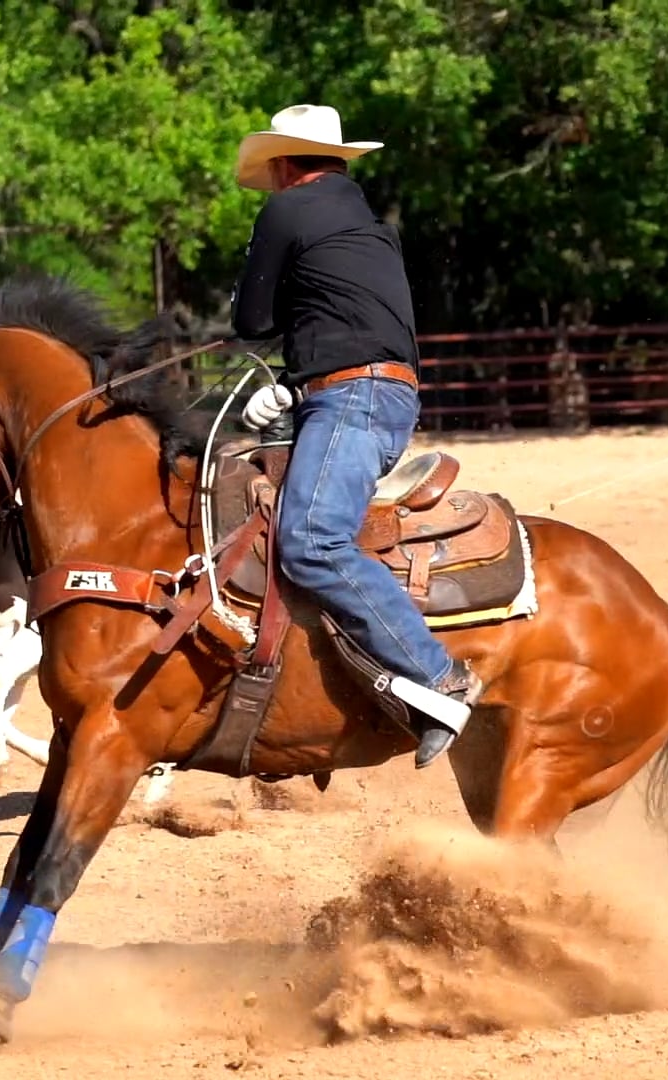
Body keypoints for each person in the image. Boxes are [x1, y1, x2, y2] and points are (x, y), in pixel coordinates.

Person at [227, 103, 479, 769]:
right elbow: (344, 316)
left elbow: (252, 318)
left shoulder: (287, 211)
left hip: (349, 401)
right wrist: (292, 382)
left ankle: (438, 675)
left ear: (283, 164)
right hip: (381, 397)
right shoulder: (374, 228)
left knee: (310, 540)